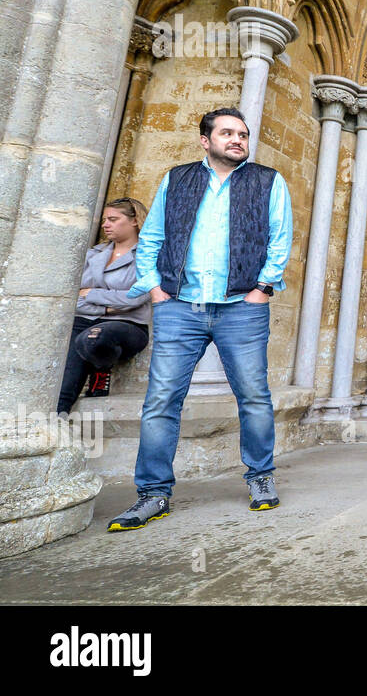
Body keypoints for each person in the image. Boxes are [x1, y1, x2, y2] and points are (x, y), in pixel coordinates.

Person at [107, 108, 293, 532]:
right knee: (161, 401)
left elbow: (280, 240)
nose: (237, 140)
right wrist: (155, 289)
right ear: (205, 141)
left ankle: (260, 477)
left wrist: (262, 289)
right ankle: (153, 494)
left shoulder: (268, 180)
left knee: (254, 396)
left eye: (242, 134)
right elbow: (152, 237)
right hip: (180, 307)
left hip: (241, 308)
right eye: (227, 133)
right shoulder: (177, 179)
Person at [56, 198, 152, 415]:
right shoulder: (94, 254)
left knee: (94, 338)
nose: (105, 224)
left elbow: (135, 298)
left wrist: (92, 294)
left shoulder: (147, 256)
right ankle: (58, 420)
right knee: (65, 378)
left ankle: (101, 369)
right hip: (85, 320)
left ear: (134, 221)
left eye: (113, 219)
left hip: (127, 326)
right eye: (104, 220)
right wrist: (106, 308)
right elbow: (74, 298)